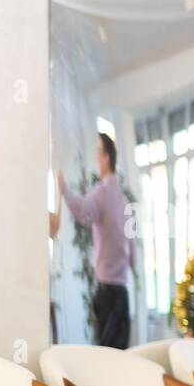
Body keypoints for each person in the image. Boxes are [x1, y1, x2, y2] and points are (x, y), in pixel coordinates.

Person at [55, 133, 137, 348]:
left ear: (106, 157)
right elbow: (133, 255)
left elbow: (83, 212)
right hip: (122, 293)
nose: (96, 157)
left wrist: (63, 188)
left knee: (105, 357)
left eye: (98, 152)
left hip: (107, 294)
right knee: (121, 356)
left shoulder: (102, 193)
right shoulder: (124, 200)